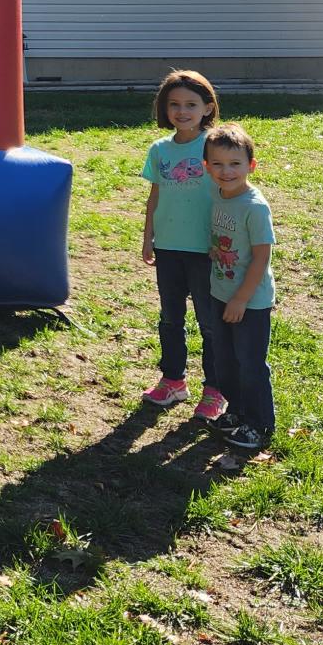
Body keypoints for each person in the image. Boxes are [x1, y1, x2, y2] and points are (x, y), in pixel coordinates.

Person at [139, 69, 226, 422]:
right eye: (174, 104)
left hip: (206, 251)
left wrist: (224, 240)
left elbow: (231, 193)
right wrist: (148, 236)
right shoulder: (159, 150)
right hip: (169, 248)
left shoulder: (215, 145)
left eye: (191, 104)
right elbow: (155, 194)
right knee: (170, 319)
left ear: (207, 107)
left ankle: (216, 389)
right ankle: (173, 380)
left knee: (210, 323)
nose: (182, 111)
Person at [203, 122, 276, 452]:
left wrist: (242, 299)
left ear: (251, 165)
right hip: (221, 294)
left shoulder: (255, 207)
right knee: (225, 361)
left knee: (250, 363)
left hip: (249, 301)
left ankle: (259, 424)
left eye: (235, 164)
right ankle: (237, 412)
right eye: (217, 164)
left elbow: (261, 257)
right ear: (206, 167)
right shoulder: (218, 194)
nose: (226, 171)